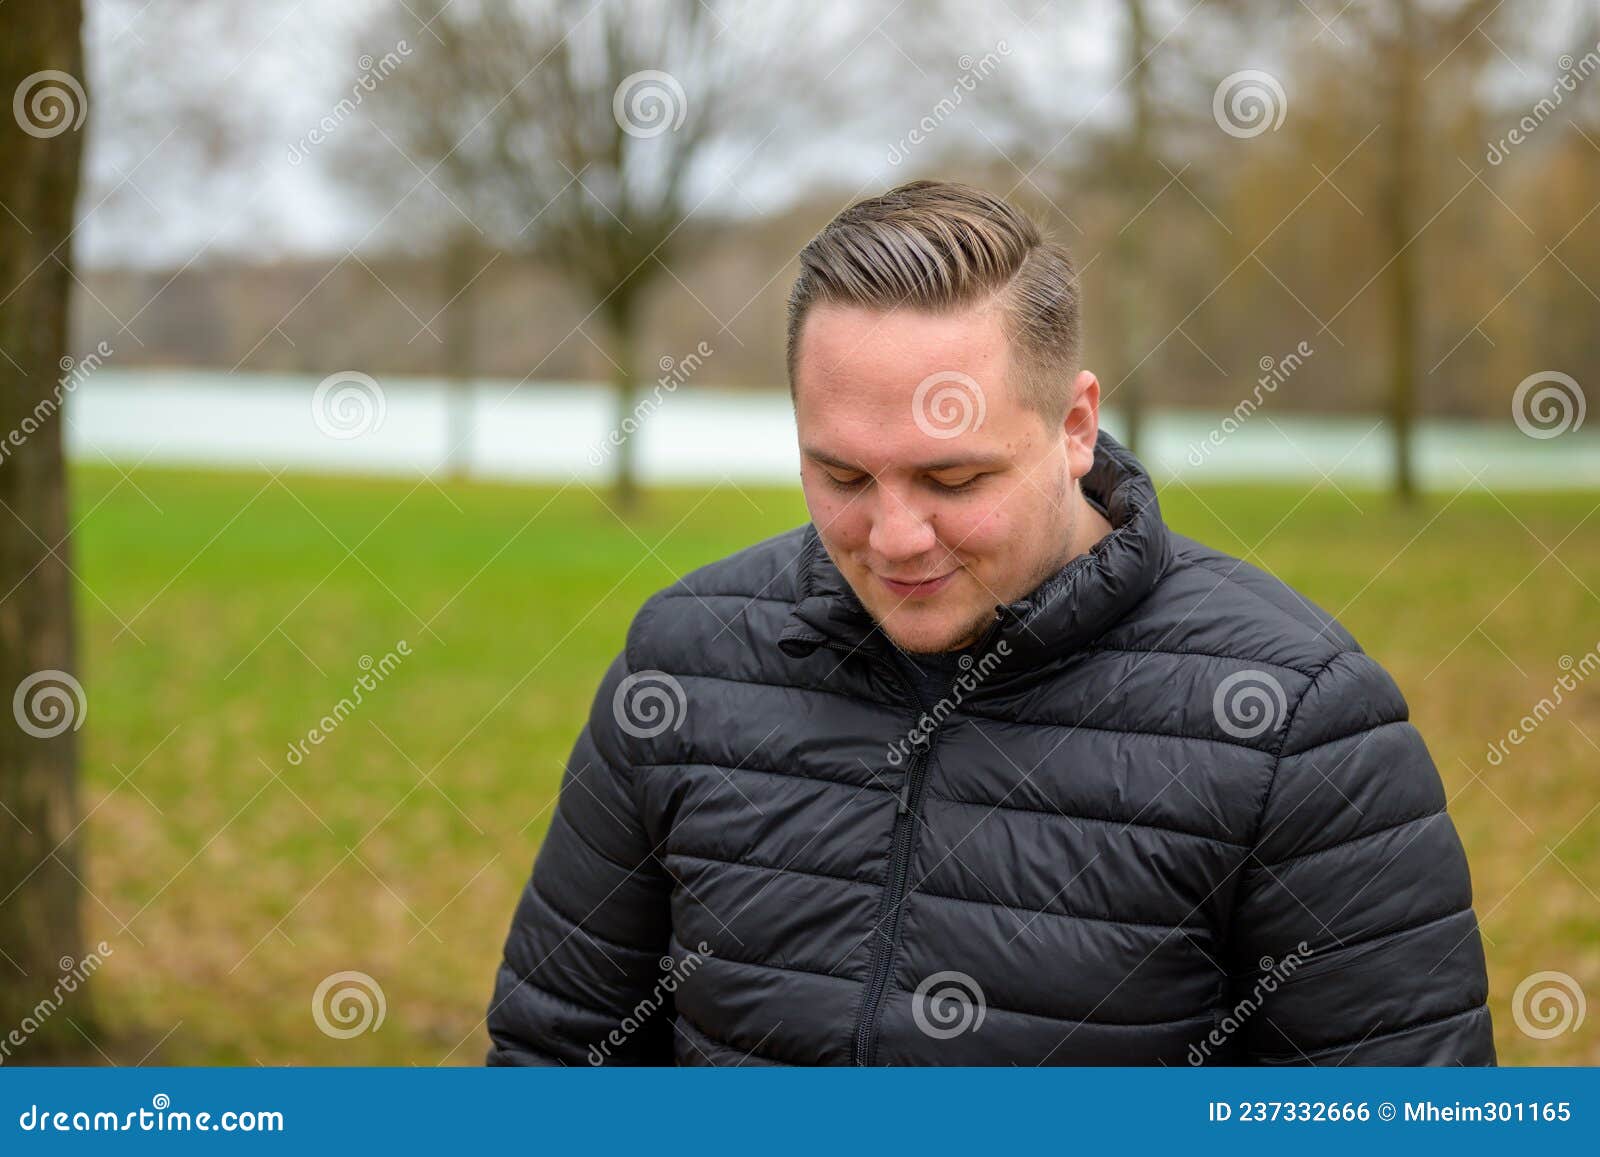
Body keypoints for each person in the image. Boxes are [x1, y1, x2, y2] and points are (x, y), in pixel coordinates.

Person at [485, 180, 1494, 1066]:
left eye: (952, 476)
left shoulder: (1296, 725)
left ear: (1074, 424)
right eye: (840, 474)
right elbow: (553, 1053)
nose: (893, 536)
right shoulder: (684, 664)